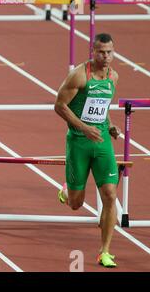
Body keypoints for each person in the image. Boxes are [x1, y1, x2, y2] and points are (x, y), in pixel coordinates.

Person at [55, 33, 121, 268]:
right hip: (78, 143)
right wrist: (84, 128)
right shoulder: (79, 76)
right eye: (101, 52)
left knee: (110, 195)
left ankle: (105, 252)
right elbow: (59, 105)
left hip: (102, 142)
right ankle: (66, 192)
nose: (106, 56)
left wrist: (110, 125)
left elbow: (102, 106)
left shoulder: (113, 77)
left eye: (109, 52)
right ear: (92, 52)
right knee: (76, 204)